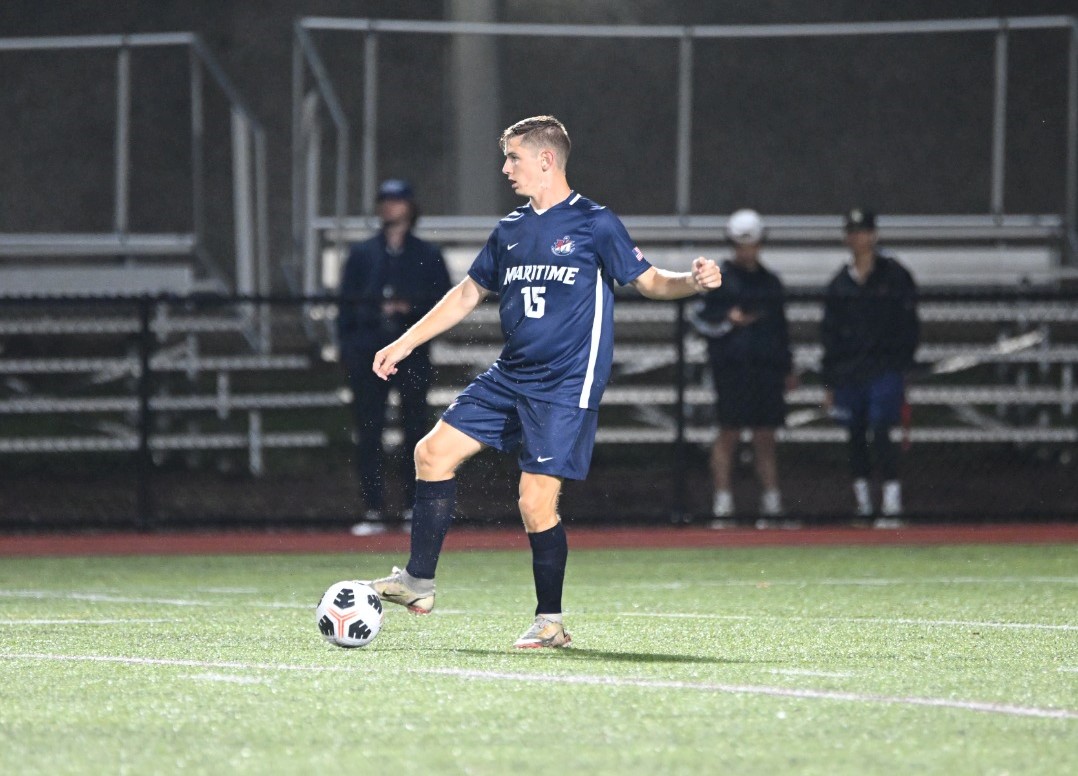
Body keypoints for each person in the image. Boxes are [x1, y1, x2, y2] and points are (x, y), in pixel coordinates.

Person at [364, 115, 722, 648]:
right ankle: (418, 581)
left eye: (513, 157)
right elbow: (466, 294)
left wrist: (691, 282)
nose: (506, 168)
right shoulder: (509, 230)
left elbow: (649, 282)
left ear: (546, 160)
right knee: (430, 453)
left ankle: (550, 620)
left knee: (534, 503)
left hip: (565, 386)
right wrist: (407, 340)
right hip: (511, 376)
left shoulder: (595, 224)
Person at [337, 179, 452, 536]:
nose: (390, 207)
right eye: (385, 200)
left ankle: (410, 507)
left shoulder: (428, 254)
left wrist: (409, 308)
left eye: (397, 200)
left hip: (412, 353)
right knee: (368, 431)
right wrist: (349, 347)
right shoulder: (363, 254)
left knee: (415, 431)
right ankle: (372, 508)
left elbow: (442, 302)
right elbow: (346, 305)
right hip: (369, 350)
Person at [690, 209, 795, 528]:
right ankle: (723, 505)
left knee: (766, 436)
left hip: (765, 370)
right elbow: (699, 320)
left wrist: (787, 367)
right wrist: (727, 321)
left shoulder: (771, 282)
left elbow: (781, 330)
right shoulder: (717, 279)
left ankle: (772, 505)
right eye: (741, 243)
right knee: (728, 434)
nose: (747, 249)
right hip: (731, 369)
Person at [820, 207, 919, 527]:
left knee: (880, 429)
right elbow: (830, 334)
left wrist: (902, 363)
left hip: (883, 368)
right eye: (852, 231)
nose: (858, 238)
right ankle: (863, 503)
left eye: (863, 231)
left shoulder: (894, 276)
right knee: (855, 435)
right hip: (850, 372)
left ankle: (891, 501)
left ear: (874, 234)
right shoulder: (840, 282)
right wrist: (830, 380)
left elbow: (909, 324)